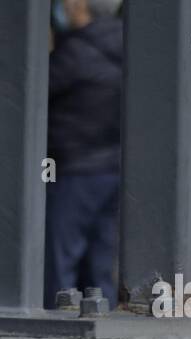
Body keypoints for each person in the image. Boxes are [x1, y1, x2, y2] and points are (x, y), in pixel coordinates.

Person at [44, 0, 124, 309]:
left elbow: (29, 88)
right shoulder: (124, 44)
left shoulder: (75, 54)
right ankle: (98, 317)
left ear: (79, 6)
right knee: (99, 263)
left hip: (75, 170)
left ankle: (56, 324)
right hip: (112, 169)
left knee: (58, 261)